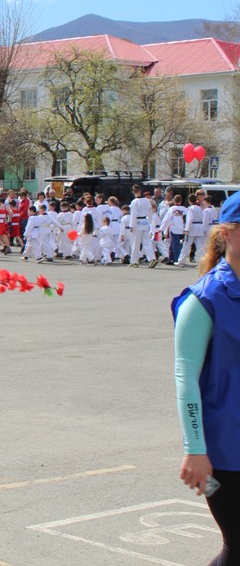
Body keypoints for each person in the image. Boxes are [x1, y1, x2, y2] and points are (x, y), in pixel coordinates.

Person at [171, 191, 240, 566]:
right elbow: (185, 378)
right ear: (226, 234)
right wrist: (194, 448)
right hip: (225, 452)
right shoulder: (205, 298)